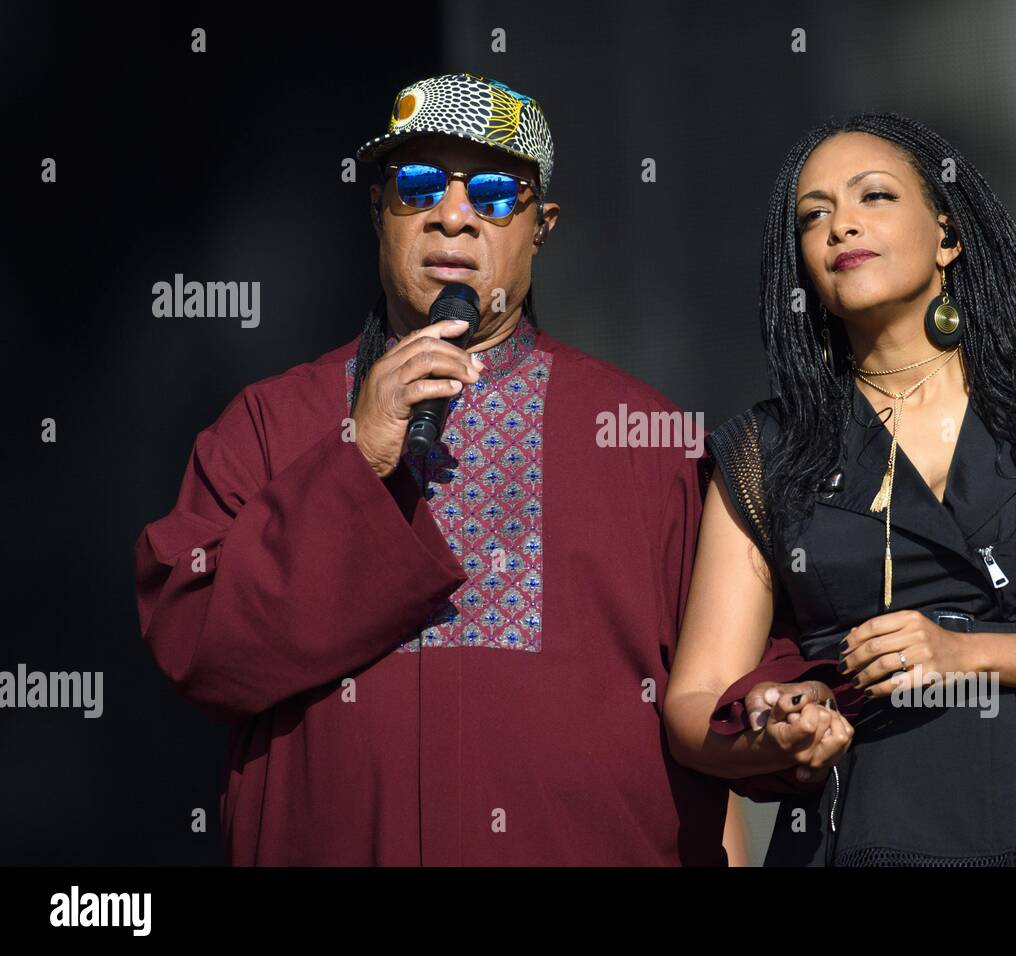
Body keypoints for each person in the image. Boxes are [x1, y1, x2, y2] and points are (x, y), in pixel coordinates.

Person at [133, 71, 808, 866]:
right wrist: (355, 456)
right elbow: (196, 644)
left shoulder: (646, 435)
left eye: (493, 192)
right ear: (377, 212)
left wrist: (780, 704)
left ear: (542, 225)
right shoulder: (269, 423)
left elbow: (735, 665)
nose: (451, 214)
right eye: (416, 185)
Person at [664, 112, 1016, 866]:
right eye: (814, 216)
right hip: (856, 828)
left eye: (872, 197)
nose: (840, 226)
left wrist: (970, 651)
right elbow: (694, 706)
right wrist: (773, 733)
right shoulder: (764, 449)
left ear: (948, 237)